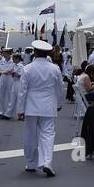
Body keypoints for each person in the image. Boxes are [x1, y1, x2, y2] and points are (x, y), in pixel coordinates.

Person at [22, 39, 65, 176]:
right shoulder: (55, 68)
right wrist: (59, 103)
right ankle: (47, 162)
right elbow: (60, 88)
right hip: (48, 105)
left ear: (34, 52)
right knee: (47, 134)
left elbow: (22, 91)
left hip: (31, 106)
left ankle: (31, 163)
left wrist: (20, 110)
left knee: (30, 135)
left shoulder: (27, 68)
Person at [0, 50, 18, 120]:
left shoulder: (13, 61)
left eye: (5, 53)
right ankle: (1, 112)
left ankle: (10, 113)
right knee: (1, 95)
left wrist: (6, 71)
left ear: (9, 54)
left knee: (10, 95)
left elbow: (12, 70)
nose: (3, 54)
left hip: (10, 78)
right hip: (3, 77)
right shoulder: (2, 61)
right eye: (3, 53)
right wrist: (5, 71)